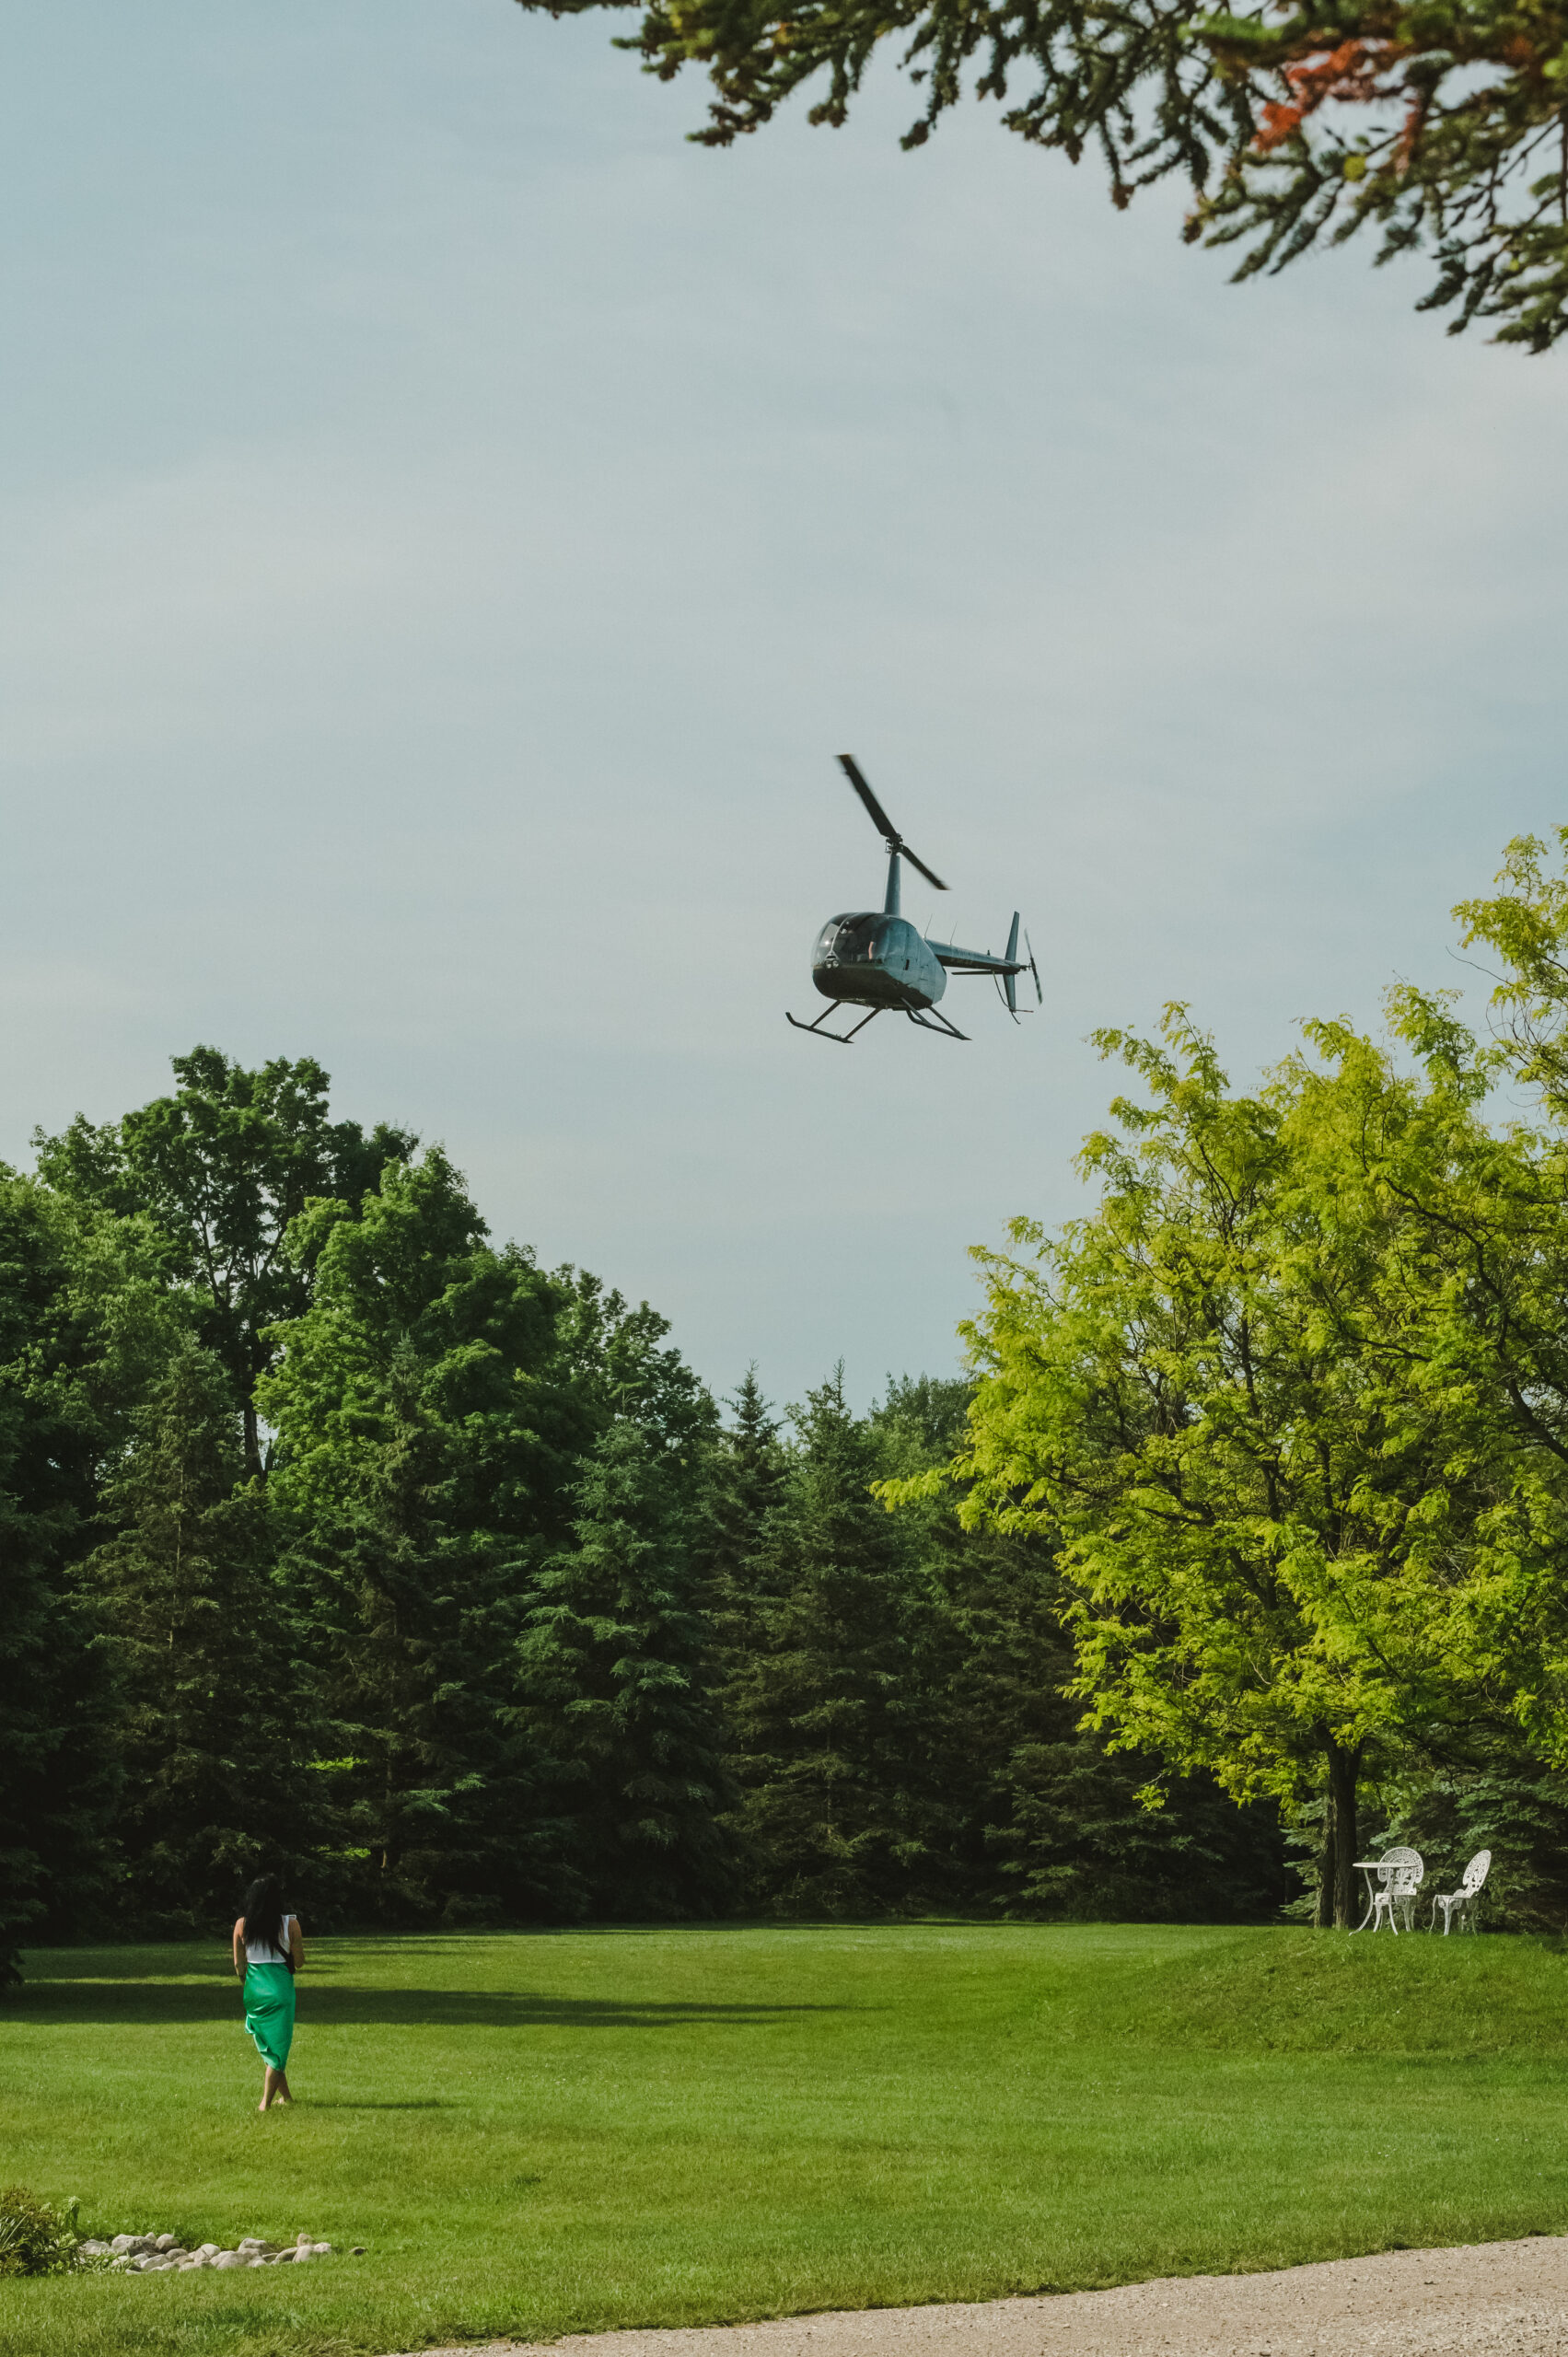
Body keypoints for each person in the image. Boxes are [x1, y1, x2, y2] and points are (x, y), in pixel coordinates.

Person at [233, 1875, 305, 2111]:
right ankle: (265, 2103)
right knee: (279, 2050)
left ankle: (287, 2098)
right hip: (280, 1990)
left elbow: (239, 1965)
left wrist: (248, 1984)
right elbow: (299, 1962)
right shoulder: (290, 1925)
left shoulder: (241, 1925)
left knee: (270, 2048)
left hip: (254, 1990)